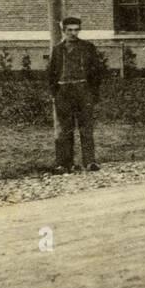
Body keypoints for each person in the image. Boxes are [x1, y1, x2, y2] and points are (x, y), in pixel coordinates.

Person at [47, 16, 105, 172]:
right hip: (64, 91)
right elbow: (51, 73)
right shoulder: (58, 49)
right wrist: (55, 92)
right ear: (64, 31)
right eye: (70, 30)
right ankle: (64, 164)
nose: (73, 33)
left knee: (86, 128)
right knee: (65, 129)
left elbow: (96, 72)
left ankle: (90, 162)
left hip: (83, 90)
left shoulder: (88, 47)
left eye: (76, 29)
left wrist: (93, 92)